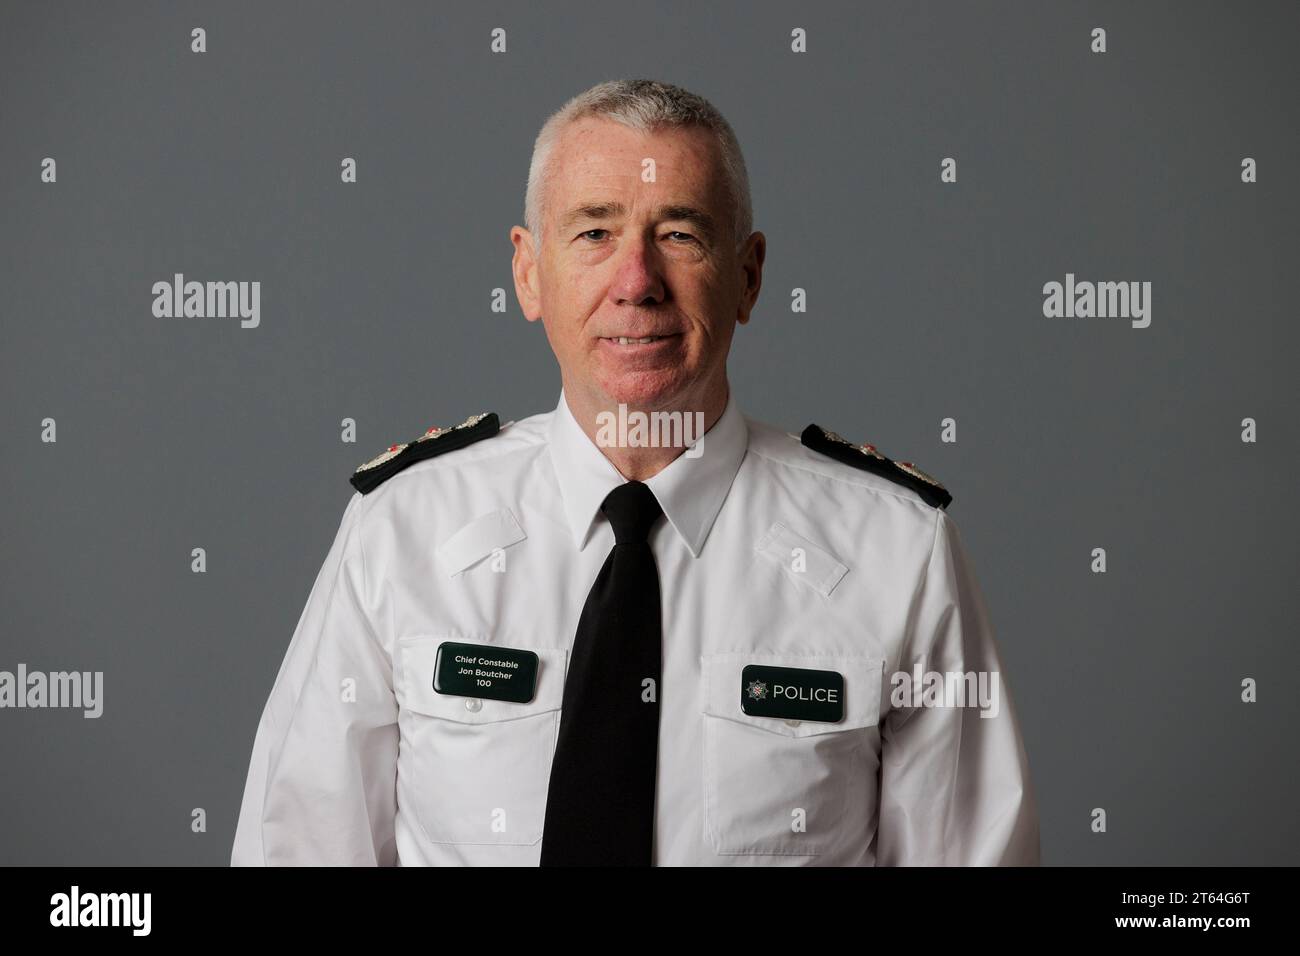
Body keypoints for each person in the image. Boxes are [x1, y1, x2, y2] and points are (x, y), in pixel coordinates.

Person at [231, 78, 1039, 866]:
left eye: (681, 235)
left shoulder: (897, 552)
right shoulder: (403, 532)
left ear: (749, 275)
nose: (636, 283)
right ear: (527, 272)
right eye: (594, 233)